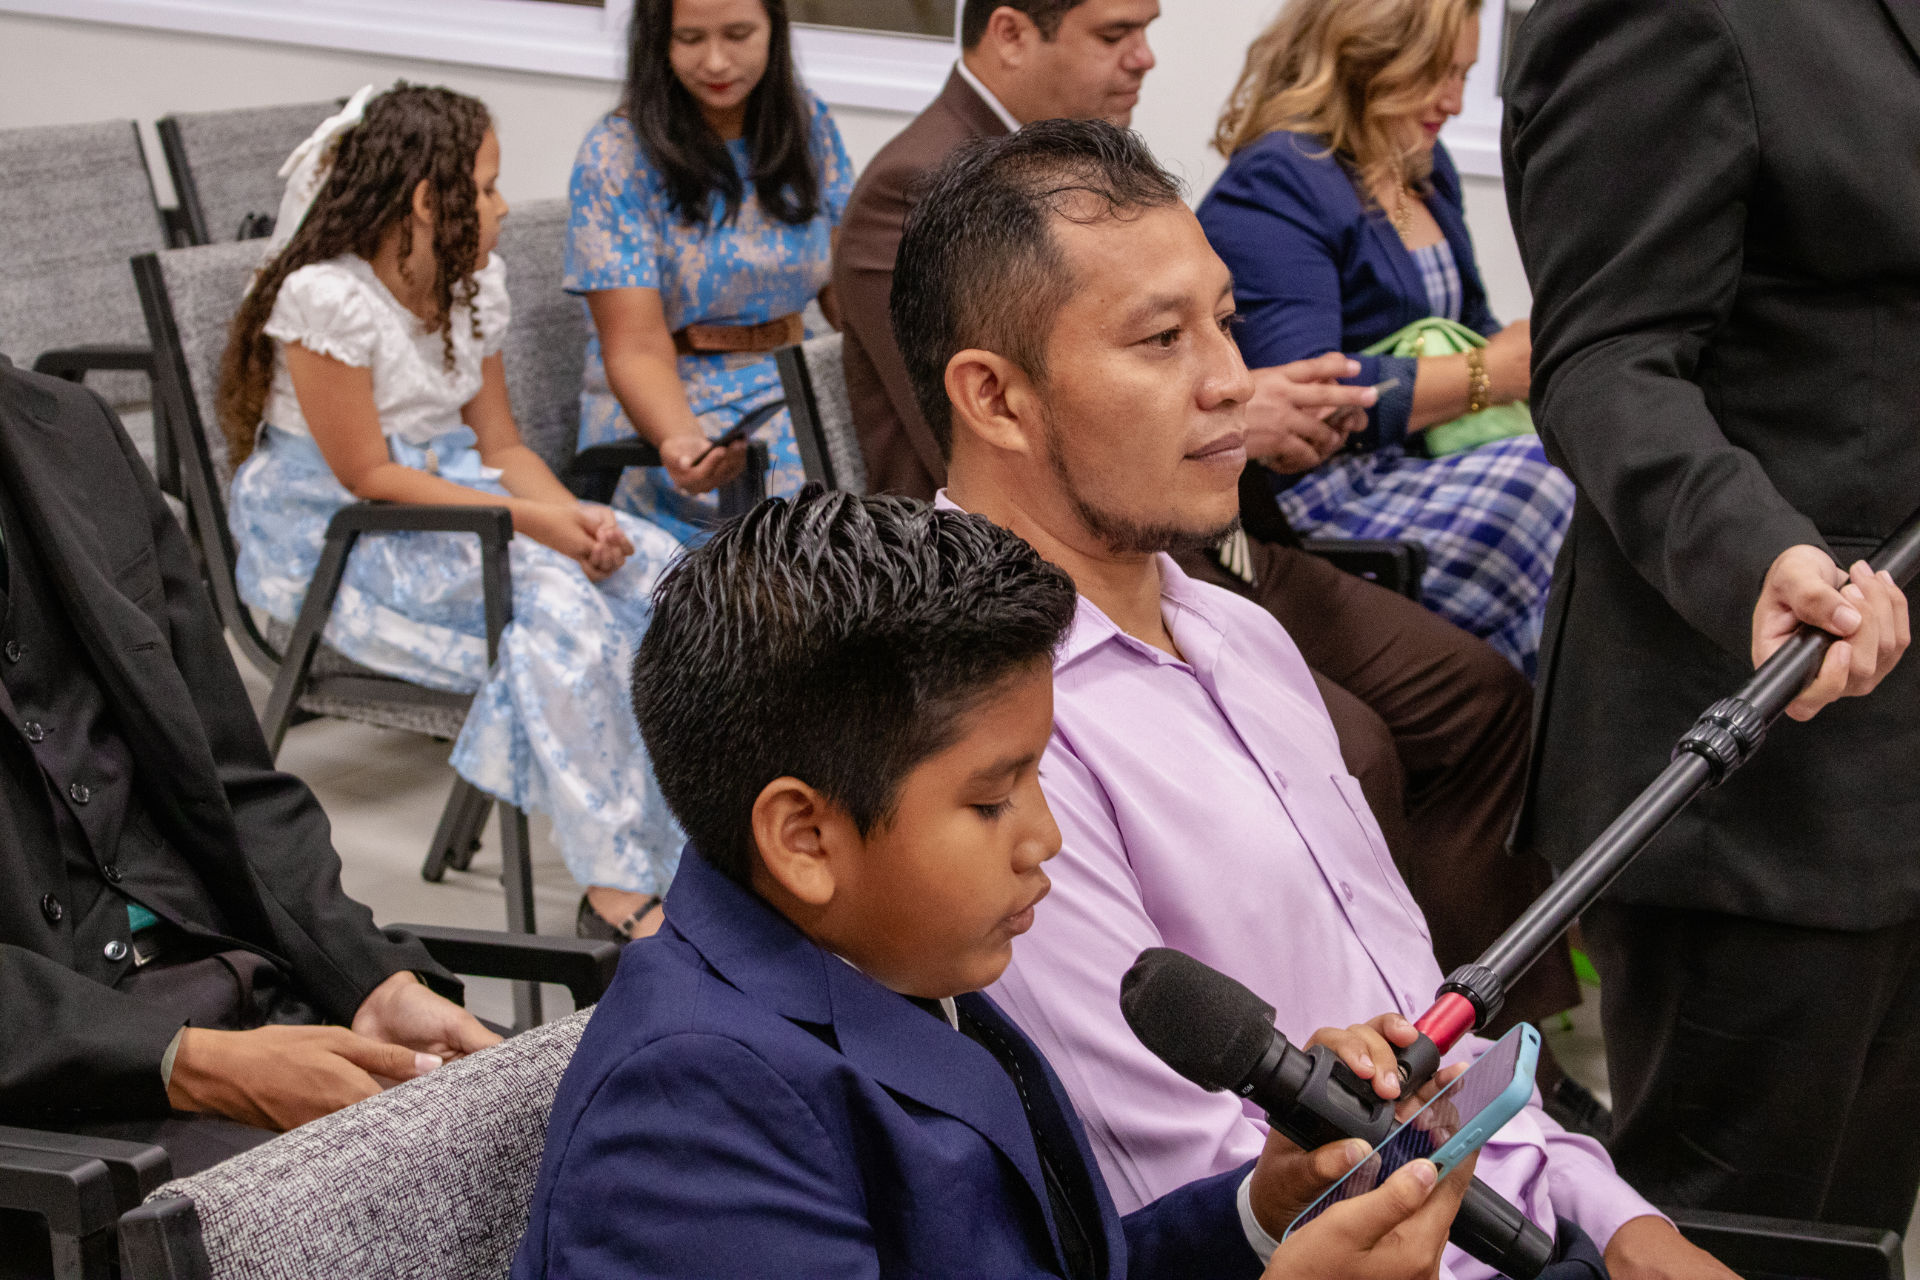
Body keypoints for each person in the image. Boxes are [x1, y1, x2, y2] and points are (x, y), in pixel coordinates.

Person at [891, 119, 1739, 1279]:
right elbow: (1193, 1191)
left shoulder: (1239, 633)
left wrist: (1629, 1224)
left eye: (1226, 323)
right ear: (995, 397)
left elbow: (1429, 1045)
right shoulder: (987, 730)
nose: (1233, 380)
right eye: (1160, 340)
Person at [832, 0, 1581, 1073]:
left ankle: (1486, 1038)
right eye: (1113, 32)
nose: (1145, 56)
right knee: (1357, 736)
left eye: (1222, 323)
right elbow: (971, 453)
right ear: (1009, 32)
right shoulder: (919, 192)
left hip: (1191, 556)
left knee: (1472, 691)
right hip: (1078, 562)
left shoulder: (1131, 205)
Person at [513, 486, 1483, 1280]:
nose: (1046, 836)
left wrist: (1260, 1213)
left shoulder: (895, 965)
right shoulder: (692, 1118)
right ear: (804, 836)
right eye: (992, 800)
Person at [1504, 0, 1918, 1231]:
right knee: (1738, 1236)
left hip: (1899, 769)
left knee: (1855, 1230)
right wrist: (1755, 552)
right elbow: (1604, 356)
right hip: (1763, 775)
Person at [0, 357, 499, 1181]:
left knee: (557, 1156)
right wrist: (190, 1062)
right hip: (56, 1110)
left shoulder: (75, 431)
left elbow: (230, 781)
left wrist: (370, 980)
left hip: (249, 988)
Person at [219, 84, 686, 945]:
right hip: (341, 539)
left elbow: (502, 445)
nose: (504, 206)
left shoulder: (473, 285)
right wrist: (529, 526)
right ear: (431, 201)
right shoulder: (328, 300)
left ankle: (693, 850)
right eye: (489, 186)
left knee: (661, 572)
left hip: (461, 500)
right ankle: (616, 883)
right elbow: (368, 474)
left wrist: (574, 516)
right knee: (558, 617)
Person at [1197, 0, 1570, 678]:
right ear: (1367, 58)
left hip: (1420, 463)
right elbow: (1311, 397)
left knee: (1584, 464)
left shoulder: (1420, 166)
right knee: (1549, 486)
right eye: (1438, 74)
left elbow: (1472, 324)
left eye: (1464, 75)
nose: (1456, 101)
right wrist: (1494, 374)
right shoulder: (1281, 176)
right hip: (1332, 498)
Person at [565, 0, 853, 545]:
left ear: (774, 30)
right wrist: (679, 441)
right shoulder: (614, 155)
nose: (717, 62)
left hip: (793, 378)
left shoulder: (809, 123)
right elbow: (635, 349)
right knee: (815, 513)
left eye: (738, 34)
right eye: (690, 39)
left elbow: (845, 294)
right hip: (675, 401)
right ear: (657, 42)